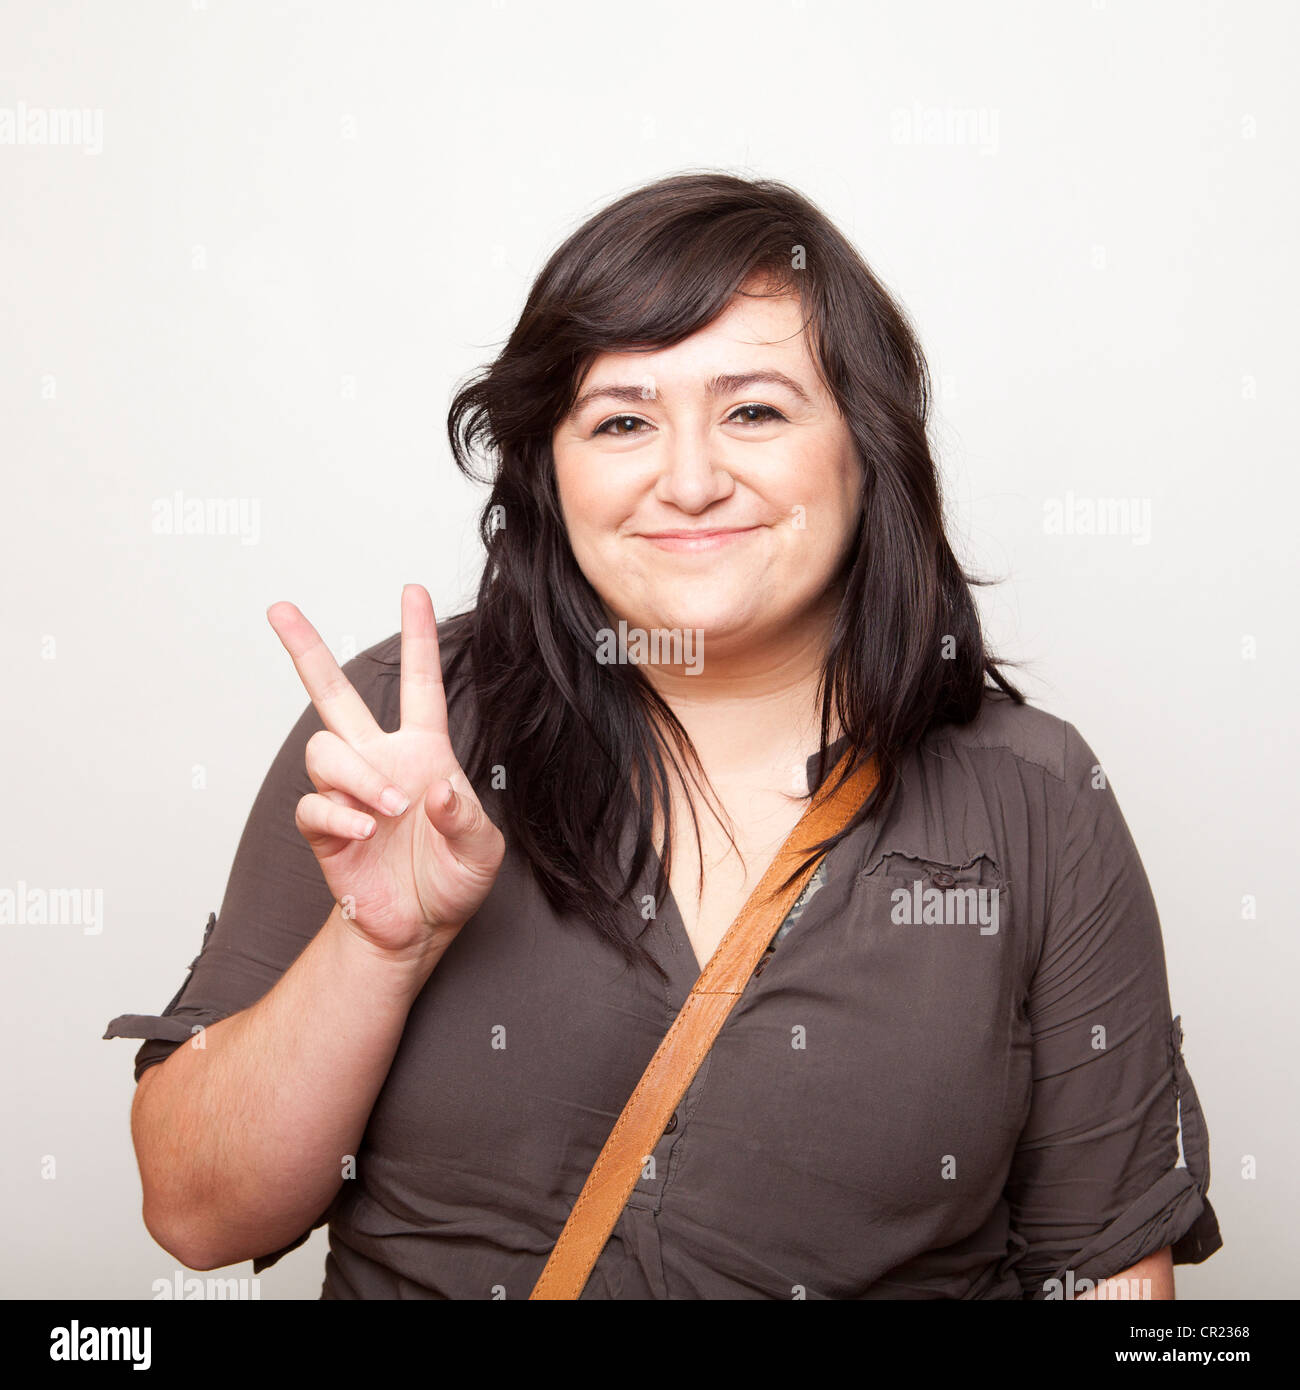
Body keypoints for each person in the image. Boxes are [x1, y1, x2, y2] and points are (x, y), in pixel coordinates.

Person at [105, 172, 1222, 1299]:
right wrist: (375, 945)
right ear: (550, 465)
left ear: (864, 447)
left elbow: (1110, 1273)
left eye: (755, 411)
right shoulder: (402, 729)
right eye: (623, 421)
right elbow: (198, 1217)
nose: (689, 481)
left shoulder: (1033, 797)